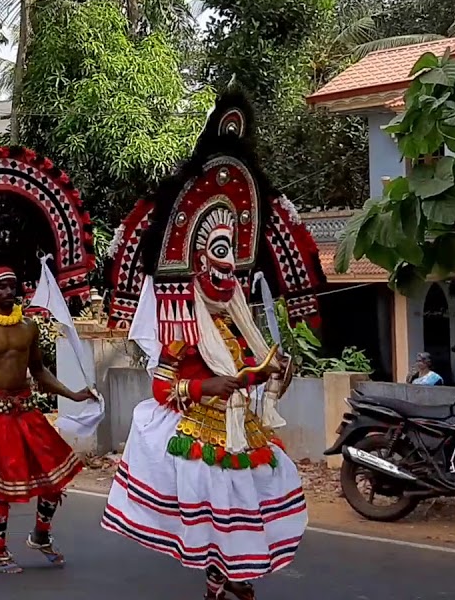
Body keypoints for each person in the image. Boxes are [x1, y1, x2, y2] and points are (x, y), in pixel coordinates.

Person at [100, 92, 319, 600]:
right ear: (197, 258)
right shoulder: (181, 317)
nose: (230, 268)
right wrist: (210, 384)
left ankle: (227, 579)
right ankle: (224, 581)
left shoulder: (238, 314)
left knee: (253, 501)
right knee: (222, 509)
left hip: (243, 423)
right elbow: (160, 386)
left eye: (235, 257)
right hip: (203, 426)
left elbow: (254, 363)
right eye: (219, 256)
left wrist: (273, 370)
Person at [0, 263, 93, 574]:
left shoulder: (29, 327)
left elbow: (40, 372)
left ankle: (41, 535)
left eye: (12, 285)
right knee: (3, 486)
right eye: (1, 287)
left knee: (54, 477)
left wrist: (73, 394)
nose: (8, 291)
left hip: (27, 411)